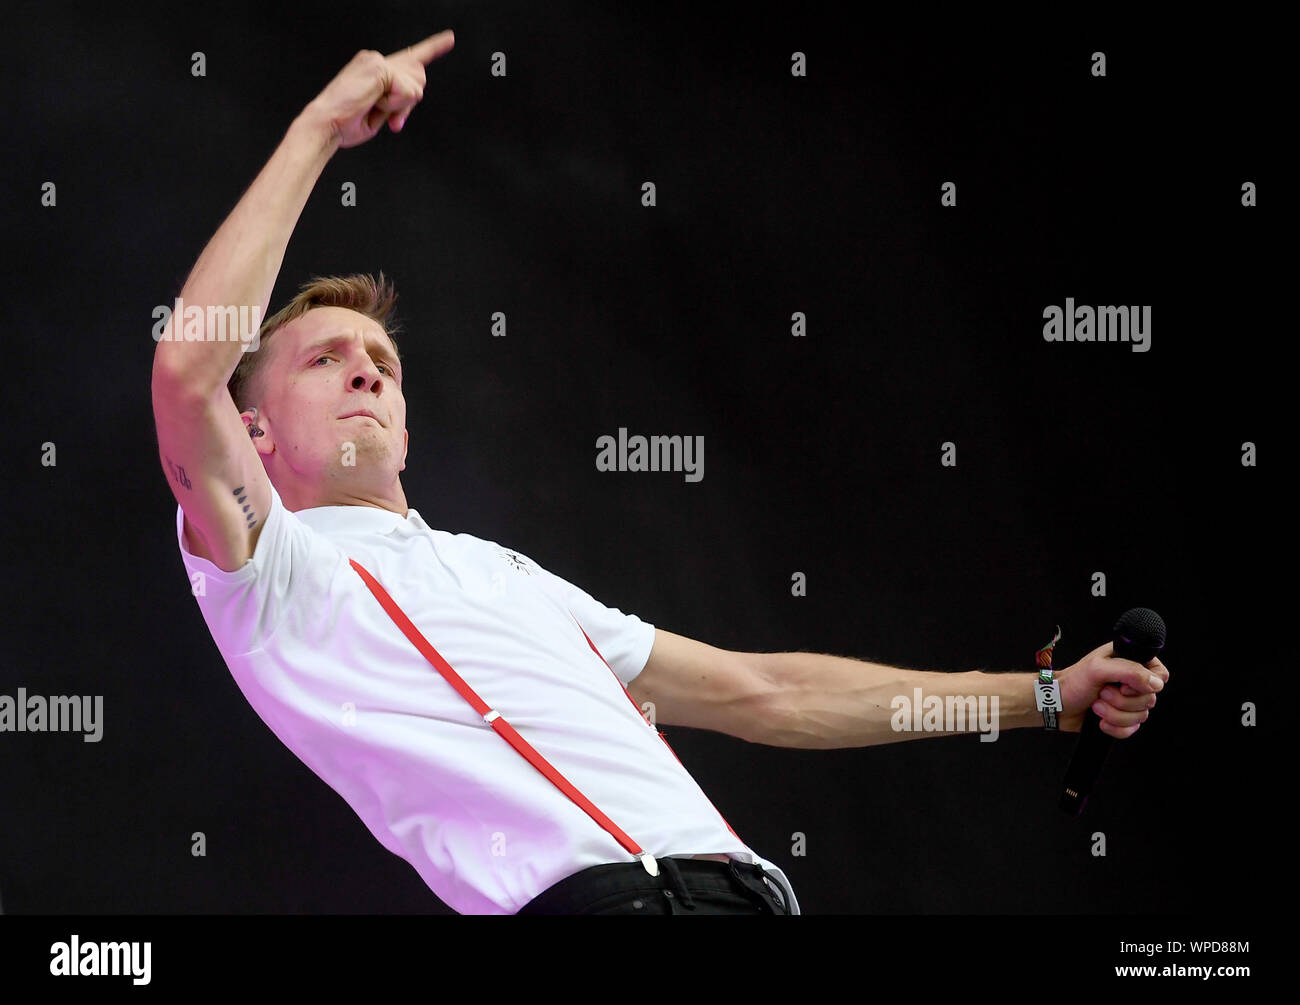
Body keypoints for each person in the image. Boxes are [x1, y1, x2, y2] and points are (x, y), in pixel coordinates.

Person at [150, 32, 1170, 915]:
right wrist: (319, 131)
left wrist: (1041, 698)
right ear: (253, 433)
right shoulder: (264, 568)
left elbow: (765, 693)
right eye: (324, 358)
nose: (366, 367)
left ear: (409, 431)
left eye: (384, 363)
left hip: (751, 893)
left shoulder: (504, 576)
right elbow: (189, 365)